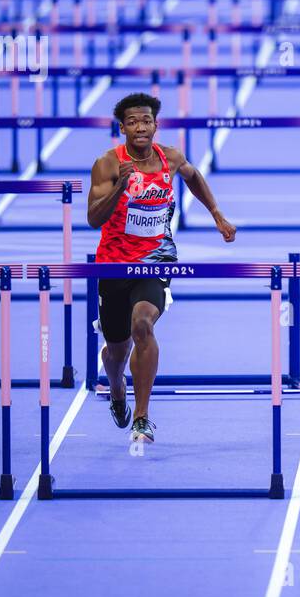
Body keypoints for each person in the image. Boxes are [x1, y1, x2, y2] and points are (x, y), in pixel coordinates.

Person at [87, 93, 237, 443]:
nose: (141, 127)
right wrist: (119, 188)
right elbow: (94, 219)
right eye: (133, 122)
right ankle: (116, 388)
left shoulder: (169, 157)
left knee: (143, 325)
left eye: (147, 121)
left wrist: (216, 214)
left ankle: (142, 417)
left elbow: (193, 175)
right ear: (122, 127)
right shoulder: (108, 164)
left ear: (155, 125)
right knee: (117, 350)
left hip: (155, 260)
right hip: (114, 265)